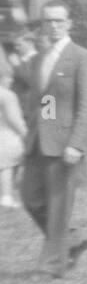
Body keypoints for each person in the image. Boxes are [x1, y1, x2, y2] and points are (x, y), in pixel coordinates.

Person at [20, 0, 87, 276]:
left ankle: (55, 264)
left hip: (65, 146)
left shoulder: (81, 57)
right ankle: (73, 240)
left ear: (69, 23)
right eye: (48, 21)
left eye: (58, 20)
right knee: (30, 199)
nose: (53, 26)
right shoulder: (40, 58)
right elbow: (46, 102)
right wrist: (32, 133)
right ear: (42, 25)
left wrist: (76, 144)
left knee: (58, 206)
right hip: (38, 143)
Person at [0, 56, 27, 208]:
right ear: (3, 77)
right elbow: (14, 118)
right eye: (9, 78)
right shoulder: (8, 95)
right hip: (7, 135)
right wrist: (25, 133)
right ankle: (6, 196)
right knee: (7, 167)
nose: (11, 81)